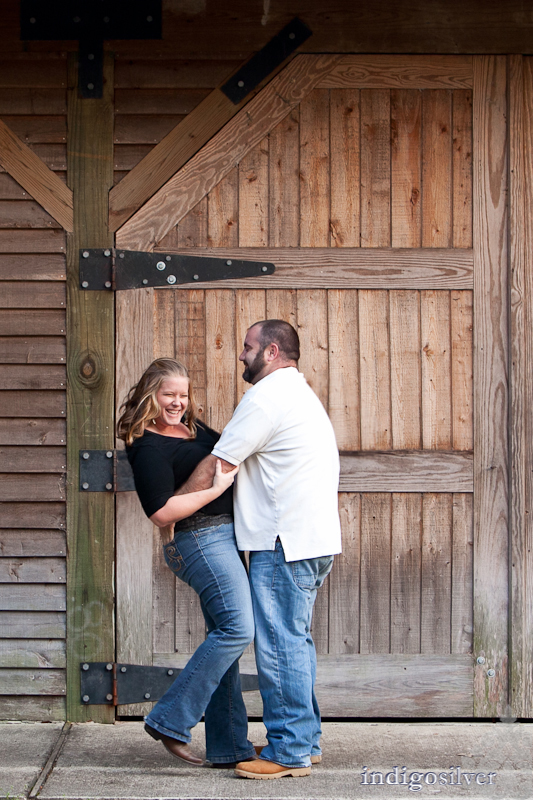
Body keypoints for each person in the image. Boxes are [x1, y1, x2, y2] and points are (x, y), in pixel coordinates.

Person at [176, 320, 342, 780]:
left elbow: (219, 464)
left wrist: (173, 514)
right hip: (311, 539)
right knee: (296, 640)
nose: (241, 356)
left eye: (247, 348)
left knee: (279, 646)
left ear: (271, 351)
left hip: (281, 542)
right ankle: (303, 740)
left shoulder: (266, 397)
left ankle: (287, 753)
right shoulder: (299, 395)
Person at [117, 358, 256, 768]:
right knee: (237, 627)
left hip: (225, 537)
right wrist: (215, 490)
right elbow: (161, 512)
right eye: (168, 395)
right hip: (197, 539)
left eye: (183, 394)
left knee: (223, 637)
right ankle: (169, 719)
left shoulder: (195, 429)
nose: (178, 402)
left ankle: (231, 746)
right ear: (150, 396)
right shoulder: (147, 444)